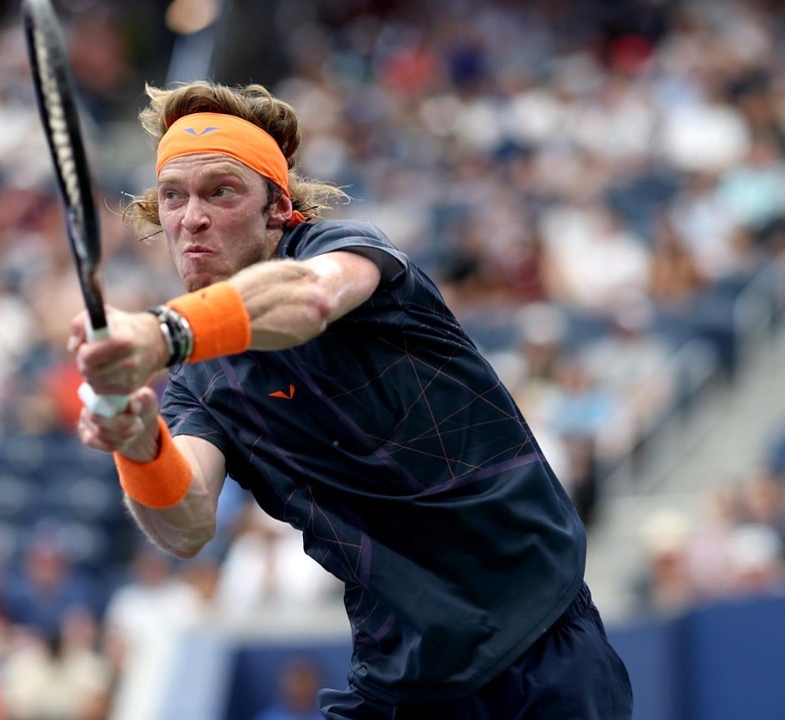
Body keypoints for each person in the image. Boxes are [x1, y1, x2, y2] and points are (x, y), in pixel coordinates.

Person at [69, 80, 633, 718]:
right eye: (173, 196)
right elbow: (187, 521)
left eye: (220, 191)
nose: (190, 217)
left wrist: (162, 331)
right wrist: (137, 443)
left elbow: (307, 298)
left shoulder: (347, 254)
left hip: (538, 647)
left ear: (279, 208)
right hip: (400, 679)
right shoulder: (200, 383)